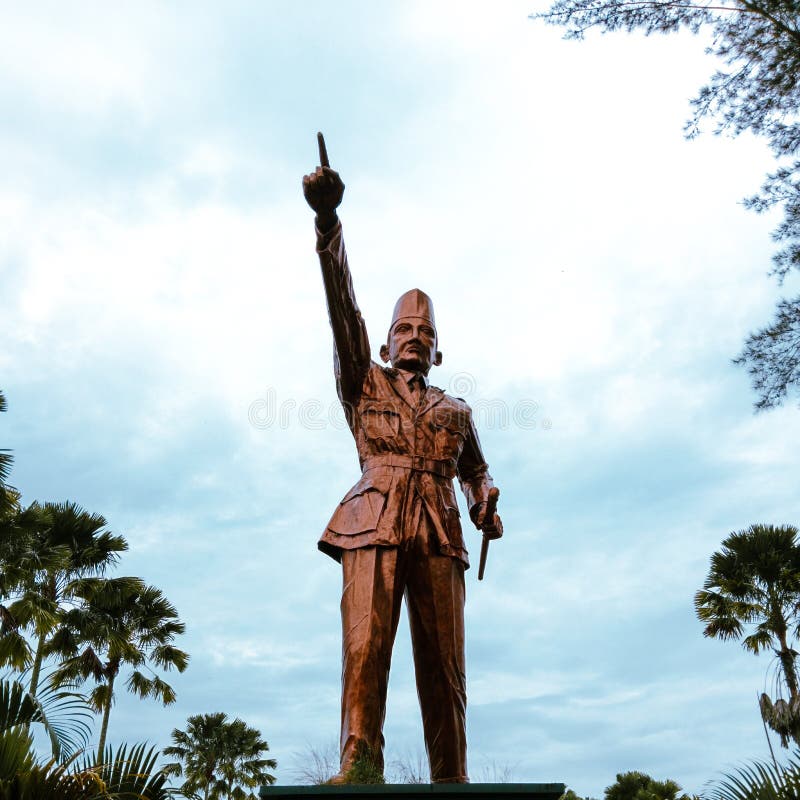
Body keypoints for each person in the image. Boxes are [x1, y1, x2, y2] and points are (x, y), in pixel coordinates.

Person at [302, 134, 502, 784]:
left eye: (426, 333)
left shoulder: (457, 410)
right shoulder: (364, 381)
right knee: (364, 650)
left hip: (439, 530)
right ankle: (359, 765)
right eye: (403, 330)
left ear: (438, 352)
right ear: (386, 347)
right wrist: (328, 225)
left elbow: (476, 471)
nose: (414, 338)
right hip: (373, 521)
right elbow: (343, 310)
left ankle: (452, 775)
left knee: (445, 666)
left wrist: (484, 500)